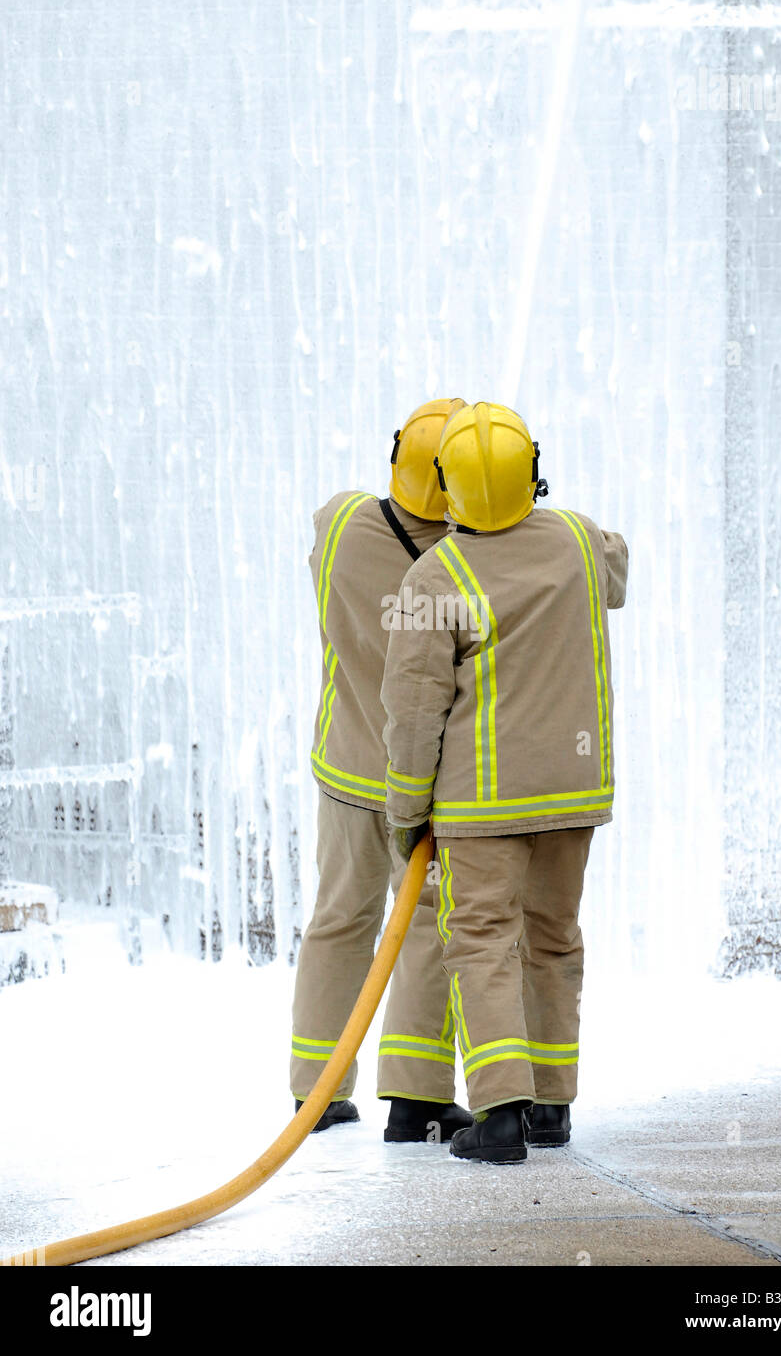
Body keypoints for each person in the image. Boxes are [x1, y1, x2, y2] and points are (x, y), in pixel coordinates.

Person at [380, 401, 628, 1162]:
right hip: (572, 792)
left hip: (482, 804)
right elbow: (617, 572)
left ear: (448, 486)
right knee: (554, 938)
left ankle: (498, 1116)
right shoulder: (584, 544)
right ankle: (552, 1108)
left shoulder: (434, 576)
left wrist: (405, 811)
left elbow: (413, 713)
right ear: (532, 472)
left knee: (481, 941)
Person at [291, 398, 473, 1144]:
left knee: (340, 920)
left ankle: (317, 1089)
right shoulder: (463, 562)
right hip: (424, 785)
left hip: (345, 770)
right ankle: (417, 1093)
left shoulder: (340, 525)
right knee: (426, 926)